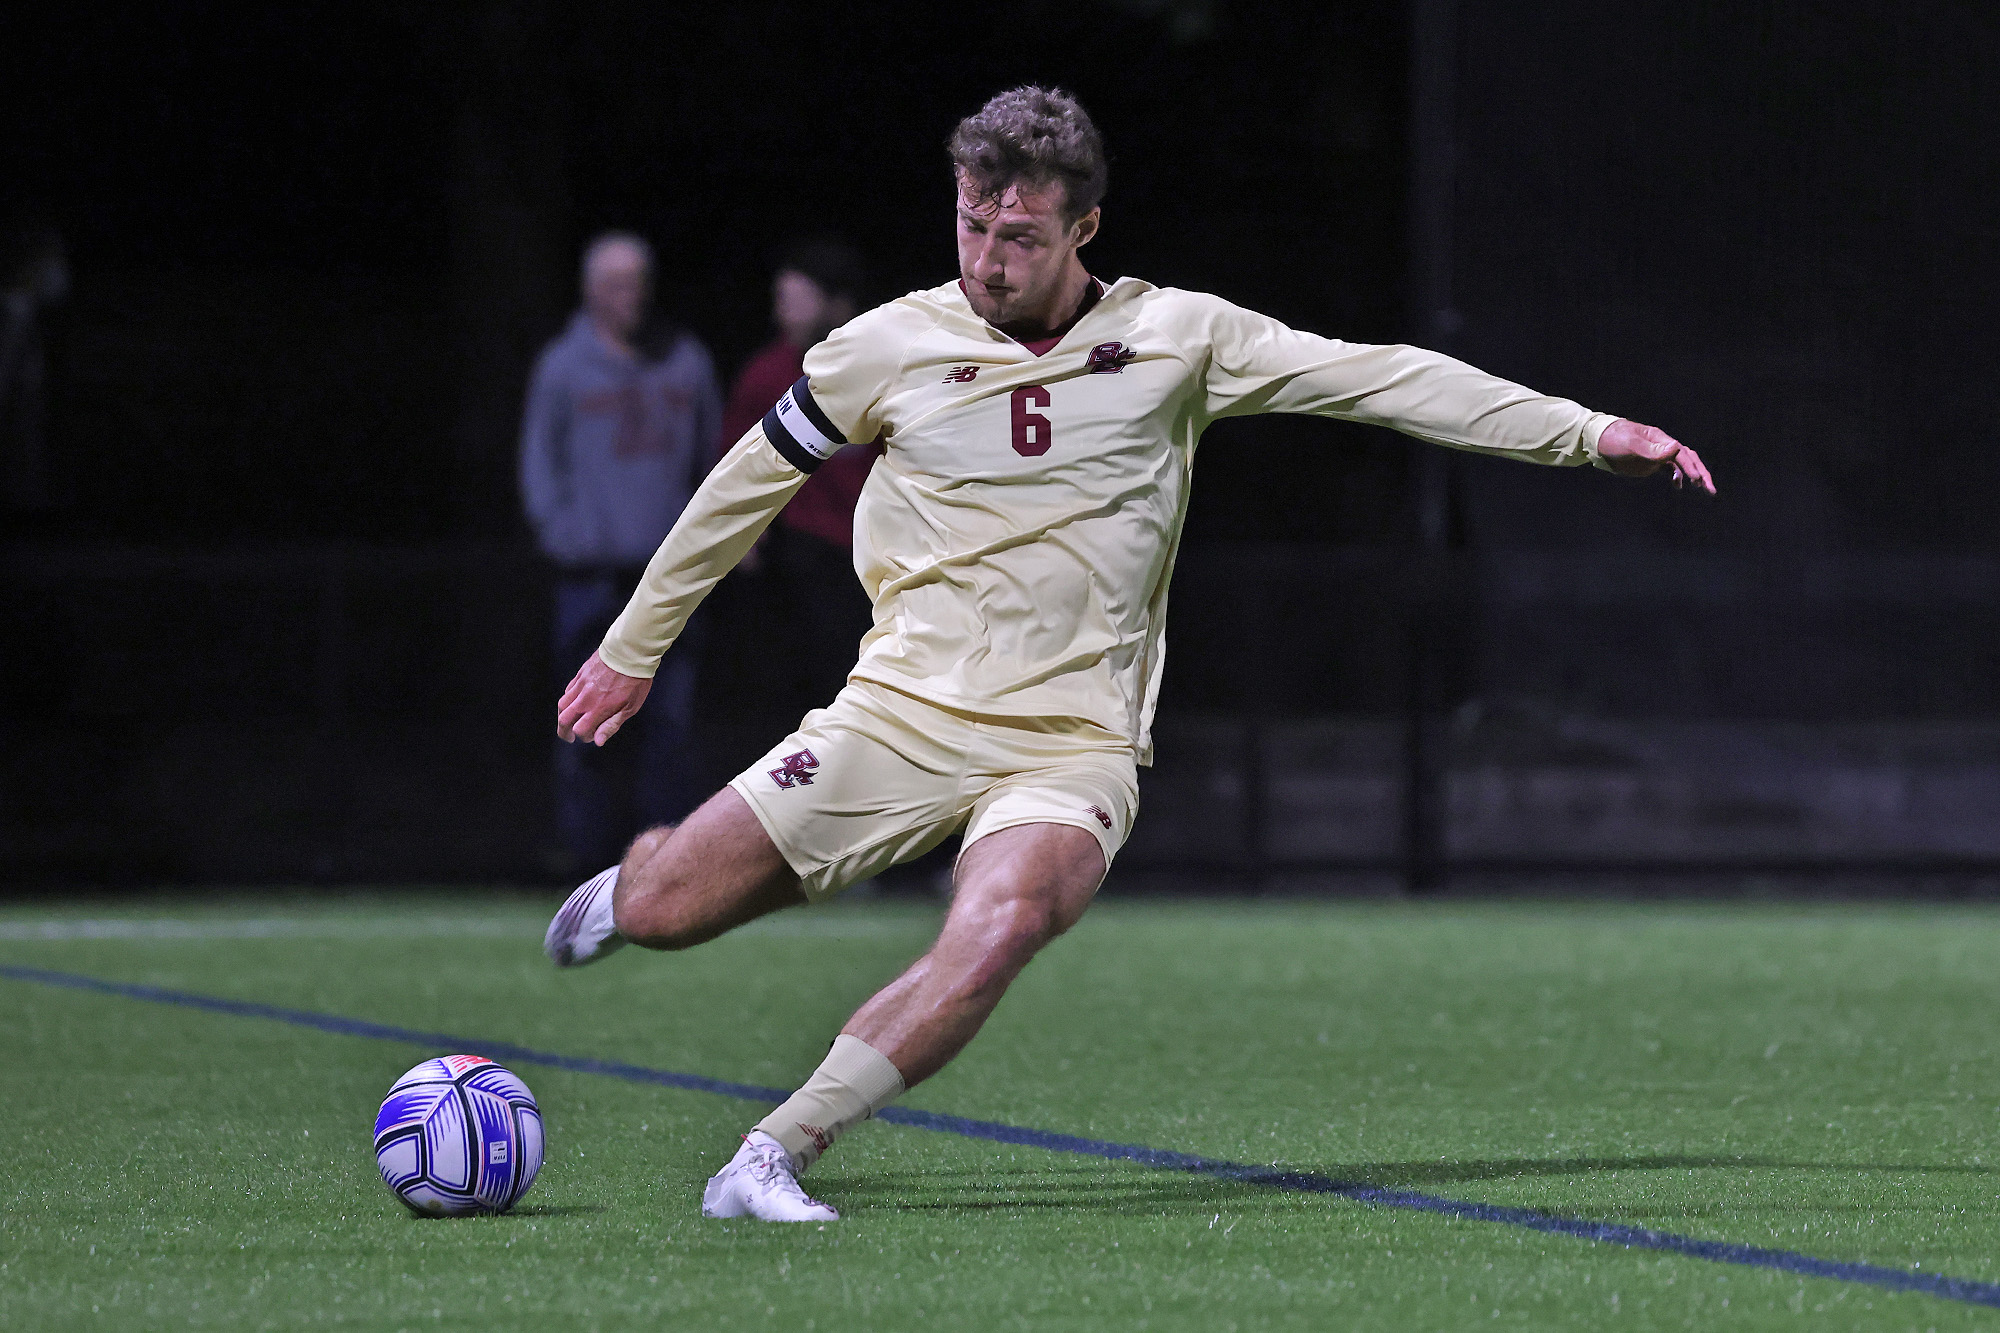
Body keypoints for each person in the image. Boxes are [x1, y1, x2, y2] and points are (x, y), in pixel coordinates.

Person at [541, 87, 1715, 1222]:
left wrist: (1588, 435)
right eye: (969, 223)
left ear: (1082, 226)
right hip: (894, 716)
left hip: (1072, 743)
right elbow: (744, 485)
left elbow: (1382, 377)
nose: (986, 258)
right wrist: (631, 651)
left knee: (998, 922)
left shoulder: (1174, 337)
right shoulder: (882, 346)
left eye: (1017, 234)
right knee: (663, 908)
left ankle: (771, 1152)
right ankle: (633, 880)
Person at [519, 232, 722, 872]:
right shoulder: (562, 366)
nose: (629, 297)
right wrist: (566, 535)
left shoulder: (684, 360)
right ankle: (584, 859)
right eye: (615, 284)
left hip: (666, 580)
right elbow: (537, 464)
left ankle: (660, 864)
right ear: (590, 291)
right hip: (590, 576)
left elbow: (717, 461)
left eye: (638, 281)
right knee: (581, 724)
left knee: (671, 723)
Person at [722, 239, 877, 711]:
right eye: (780, 302)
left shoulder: (879, 365)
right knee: (806, 687)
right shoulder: (766, 375)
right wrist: (744, 536)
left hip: (878, 550)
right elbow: (734, 465)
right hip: (802, 555)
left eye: (798, 300)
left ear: (838, 303)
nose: (785, 314)